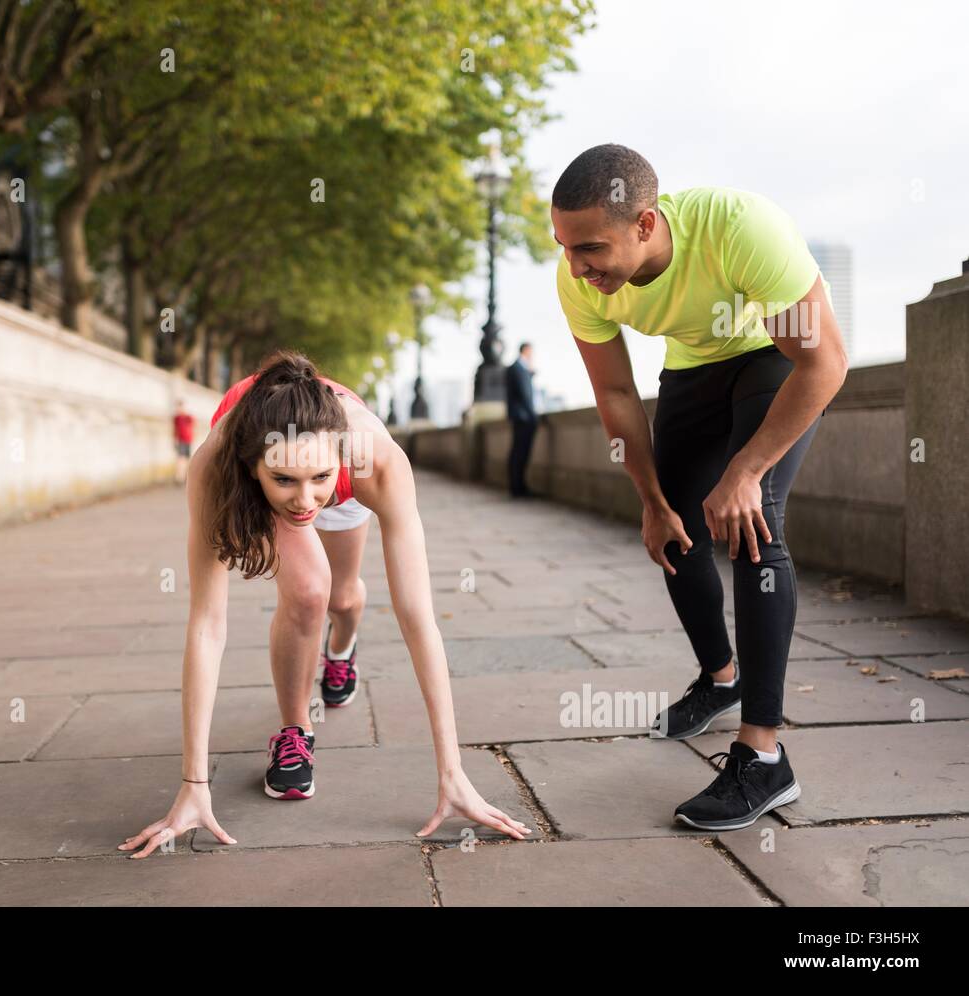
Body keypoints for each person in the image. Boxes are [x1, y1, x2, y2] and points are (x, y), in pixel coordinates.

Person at [120, 350, 531, 857]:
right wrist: (193, 786)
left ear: (338, 456)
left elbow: (418, 618)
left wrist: (454, 772)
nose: (306, 501)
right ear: (254, 470)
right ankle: (295, 731)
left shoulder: (375, 460)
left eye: (317, 480)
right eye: (285, 482)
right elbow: (207, 624)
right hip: (268, 479)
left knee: (343, 596)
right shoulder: (217, 464)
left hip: (347, 483)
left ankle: (343, 645)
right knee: (311, 590)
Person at [551, 144, 847, 831]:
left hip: (777, 359)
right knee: (677, 529)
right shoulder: (579, 280)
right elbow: (617, 393)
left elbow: (826, 361)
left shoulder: (741, 227)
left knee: (754, 520)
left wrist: (745, 472)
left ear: (646, 225)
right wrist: (651, 502)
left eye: (590, 248)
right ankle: (720, 678)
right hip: (694, 370)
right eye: (564, 247)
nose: (575, 266)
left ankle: (765, 758)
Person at [505, 342, 539, 498]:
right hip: (524, 417)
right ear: (526, 350)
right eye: (531, 351)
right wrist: (533, 415)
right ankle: (518, 488)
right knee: (520, 453)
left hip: (518, 416)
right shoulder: (518, 368)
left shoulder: (516, 368)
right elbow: (525, 394)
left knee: (517, 452)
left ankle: (517, 486)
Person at [172, 400, 194, 484]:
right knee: (181, 458)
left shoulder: (188, 417)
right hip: (181, 440)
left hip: (188, 440)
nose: (179, 409)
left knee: (187, 458)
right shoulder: (176, 418)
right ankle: (179, 477)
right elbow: (174, 430)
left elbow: (193, 427)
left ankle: (186, 476)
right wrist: (174, 440)